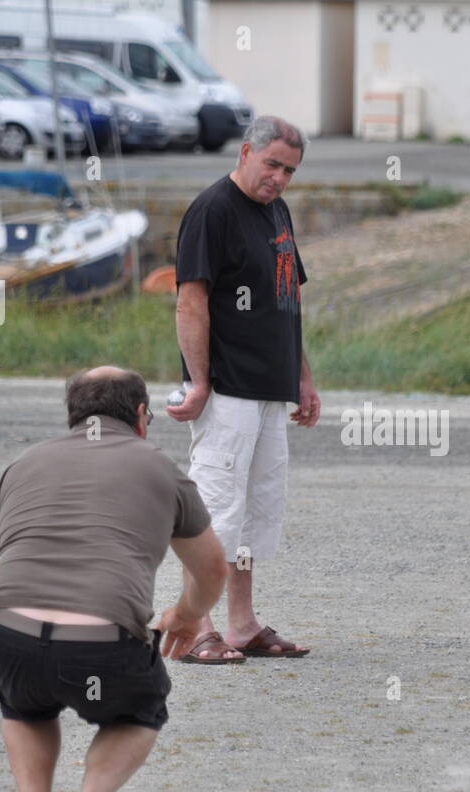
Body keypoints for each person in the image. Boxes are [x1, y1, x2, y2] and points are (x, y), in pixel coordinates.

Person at [0, 367, 227, 792]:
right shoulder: (160, 468)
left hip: (8, 634)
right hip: (102, 643)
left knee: (24, 703)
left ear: (74, 416)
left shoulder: (24, 463)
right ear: (139, 416)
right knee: (140, 708)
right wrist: (186, 613)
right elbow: (213, 568)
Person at [166, 115, 320, 663]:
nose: (279, 178)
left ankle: (241, 624)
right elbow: (190, 300)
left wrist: (301, 376)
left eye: (289, 170)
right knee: (215, 507)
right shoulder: (213, 210)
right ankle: (194, 627)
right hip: (227, 386)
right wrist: (200, 380)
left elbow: (287, 301)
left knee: (256, 511)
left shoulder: (276, 210)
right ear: (246, 151)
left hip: (270, 387)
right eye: (272, 164)